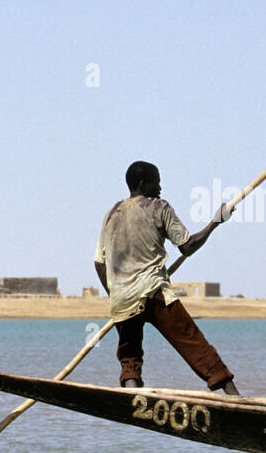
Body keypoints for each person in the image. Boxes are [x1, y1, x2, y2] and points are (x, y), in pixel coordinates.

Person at [95, 161, 240, 395]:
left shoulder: (111, 214)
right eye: (157, 182)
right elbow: (188, 246)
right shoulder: (158, 207)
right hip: (154, 294)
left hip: (121, 300)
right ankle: (235, 398)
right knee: (194, 343)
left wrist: (114, 293)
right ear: (143, 184)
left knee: (129, 356)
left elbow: (99, 263)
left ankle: (133, 393)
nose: (160, 187)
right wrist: (216, 222)